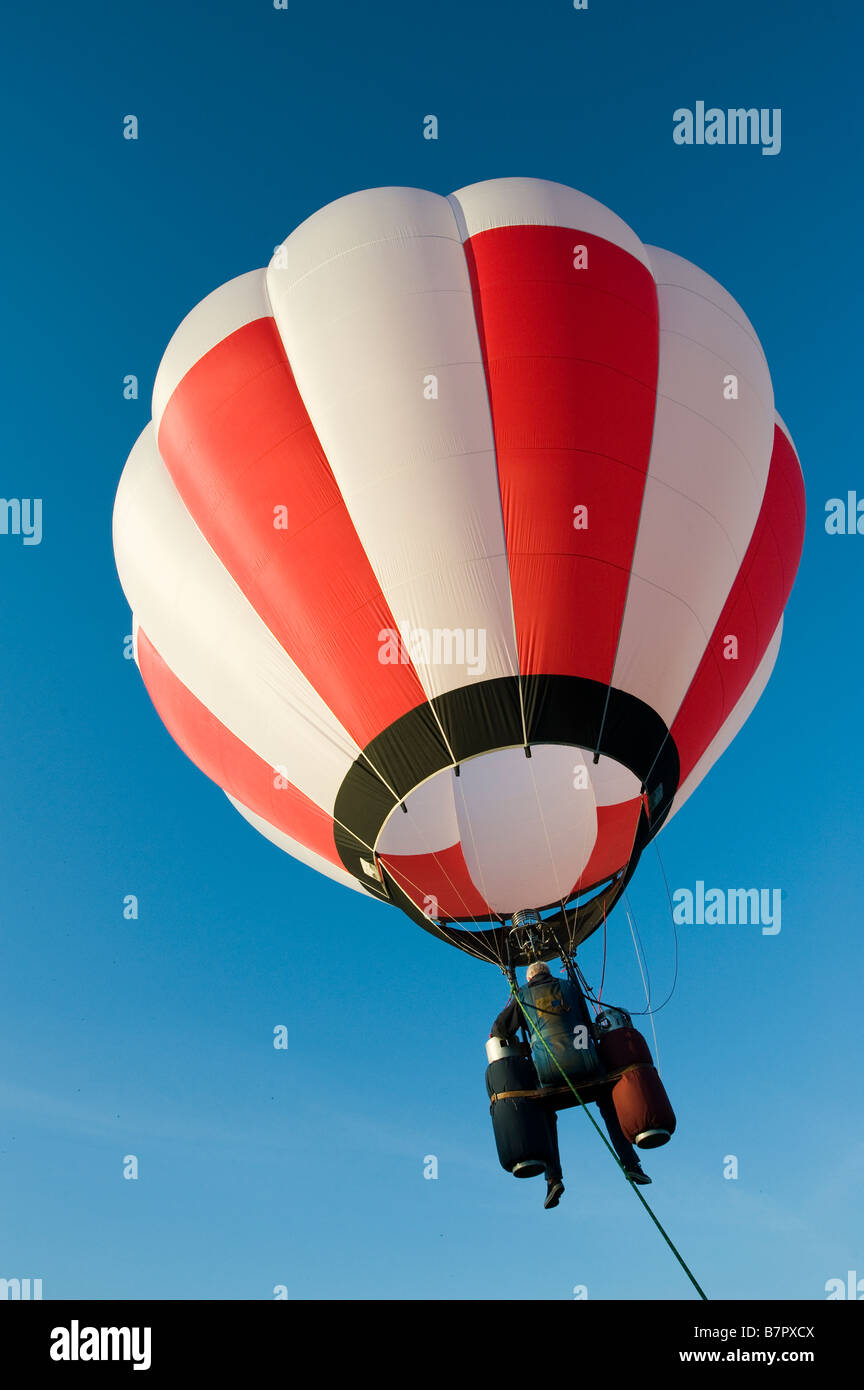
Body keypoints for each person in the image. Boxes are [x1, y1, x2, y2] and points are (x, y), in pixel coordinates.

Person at [491, 961, 652, 1208]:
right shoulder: (570, 988)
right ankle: (631, 1163)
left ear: (530, 977)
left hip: (550, 1074)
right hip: (588, 1067)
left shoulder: (522, 995)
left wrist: (523, 1042)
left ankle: (553, 1178)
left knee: (544, 1111)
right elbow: (588, 1024)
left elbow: (499, 1030)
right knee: (607, 1101)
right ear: (549, 973)